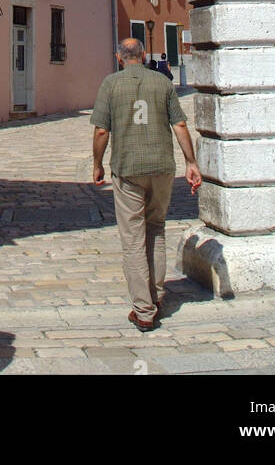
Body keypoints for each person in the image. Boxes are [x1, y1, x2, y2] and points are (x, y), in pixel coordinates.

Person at [92, 37, 202, 332]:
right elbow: (179, 124)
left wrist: (97, 164)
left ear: (119, 57)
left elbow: (102, 130)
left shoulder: (111, 84)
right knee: (156, 228)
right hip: (162, 167)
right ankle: (158, 294)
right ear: (142, 55)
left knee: (132, 238)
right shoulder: (163, 83)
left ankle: (143, 309)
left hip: (128, 169)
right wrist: (191, 162)